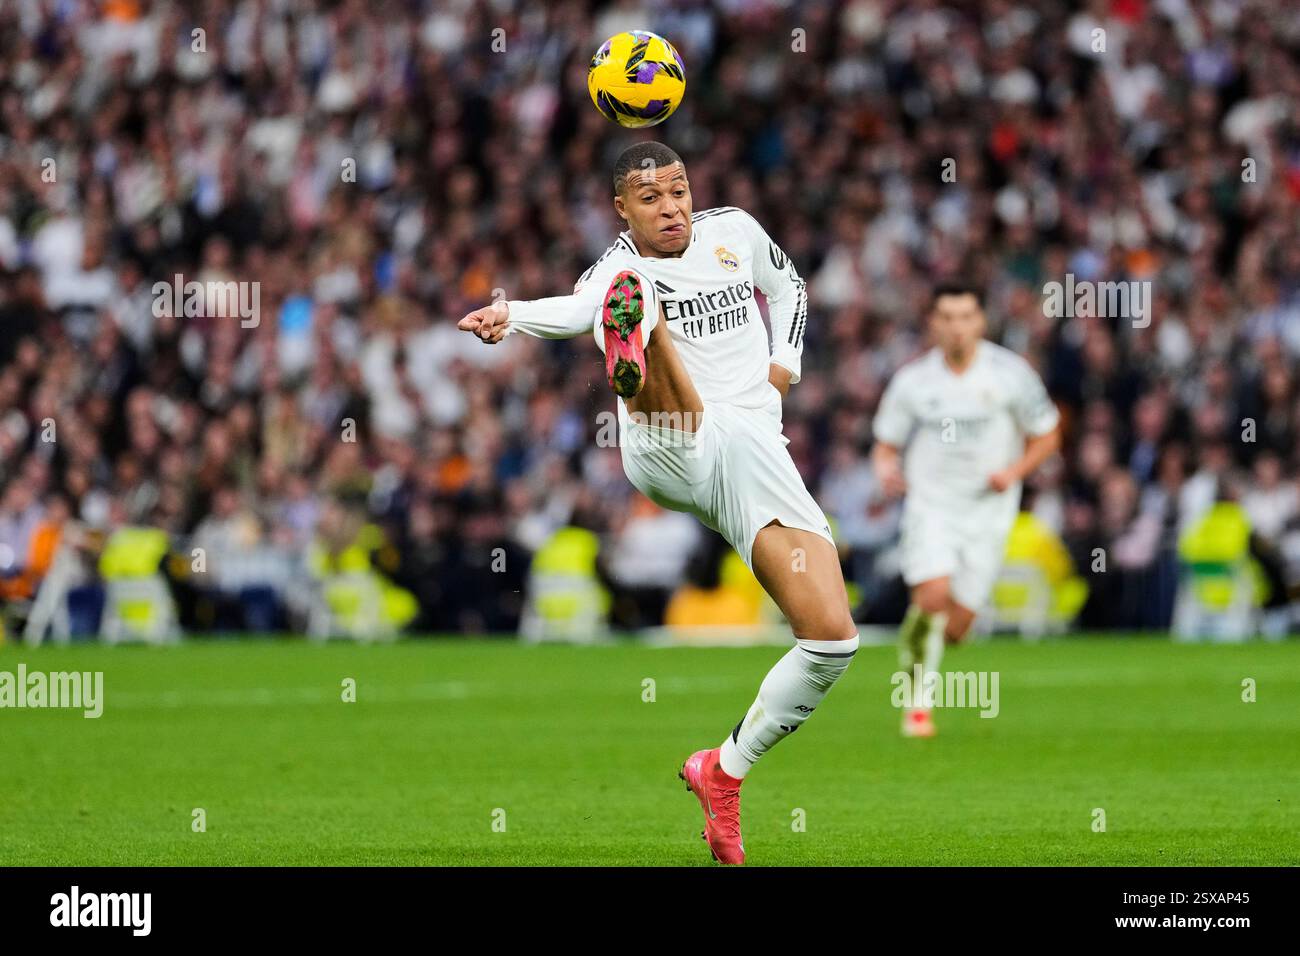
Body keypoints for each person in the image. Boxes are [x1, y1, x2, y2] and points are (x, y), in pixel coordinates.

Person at [456, 141, 858, 865]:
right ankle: (634, 354)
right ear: (621, 208)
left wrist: (781, 374)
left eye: (678, 191)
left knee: (832, 639)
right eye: (651, 198)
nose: (670, 206)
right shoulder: (618, 263)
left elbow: (790, 286)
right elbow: (578, 307)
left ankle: (723, 770)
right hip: (668, 445)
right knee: (629, 302)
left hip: (751, 450)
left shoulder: (734, 229)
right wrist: (511, 316)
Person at [872, 283, 1061, 737]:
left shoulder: (1010, 374)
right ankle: (917, 703)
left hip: (988, 513)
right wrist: (885, 469)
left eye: (965, 317)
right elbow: (886, 442)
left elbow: (1047, 434)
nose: (957, 327)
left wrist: (1014, 471)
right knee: (932, 596)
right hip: (931, 506)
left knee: (956, 628)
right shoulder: (913, 380)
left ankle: (925, 643)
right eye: (947, 317)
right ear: (934, 324)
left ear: (980, 321)